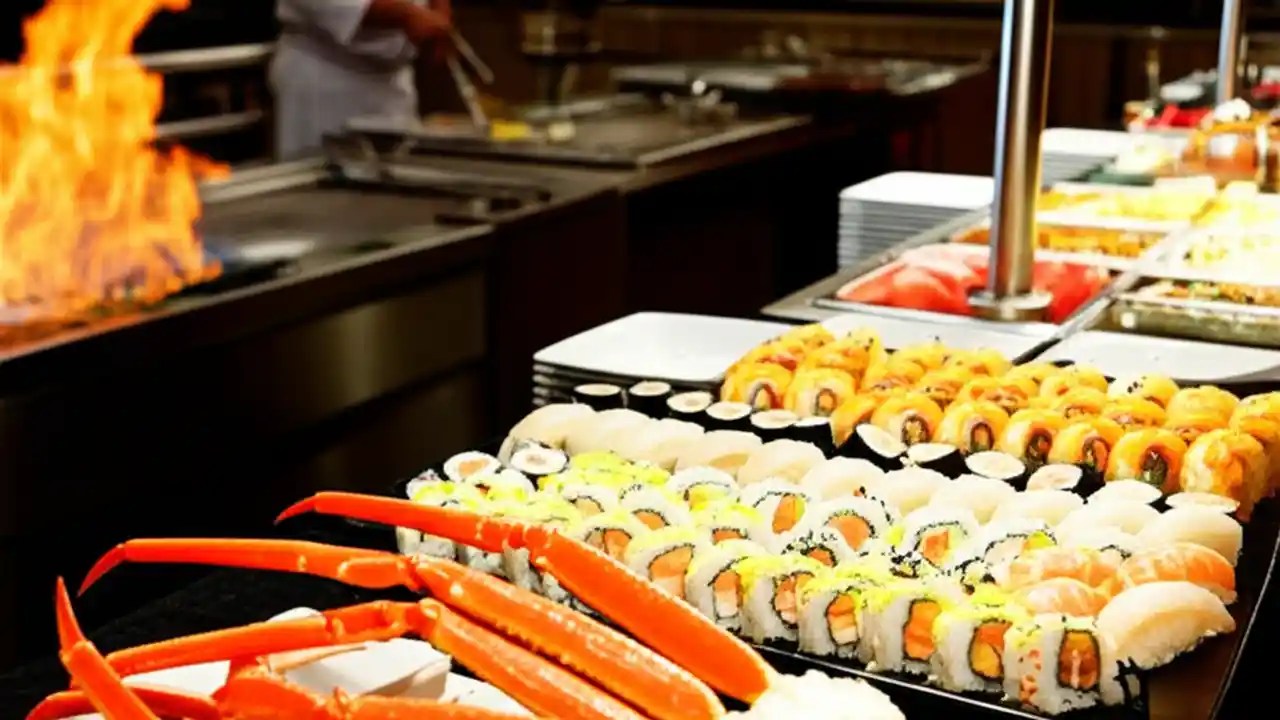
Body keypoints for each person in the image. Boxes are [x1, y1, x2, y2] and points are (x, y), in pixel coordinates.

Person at [271, 0, 452, 158]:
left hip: (394, 83)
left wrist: (439, 16)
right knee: (324, 185)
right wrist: (407, 14)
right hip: (328, 82)